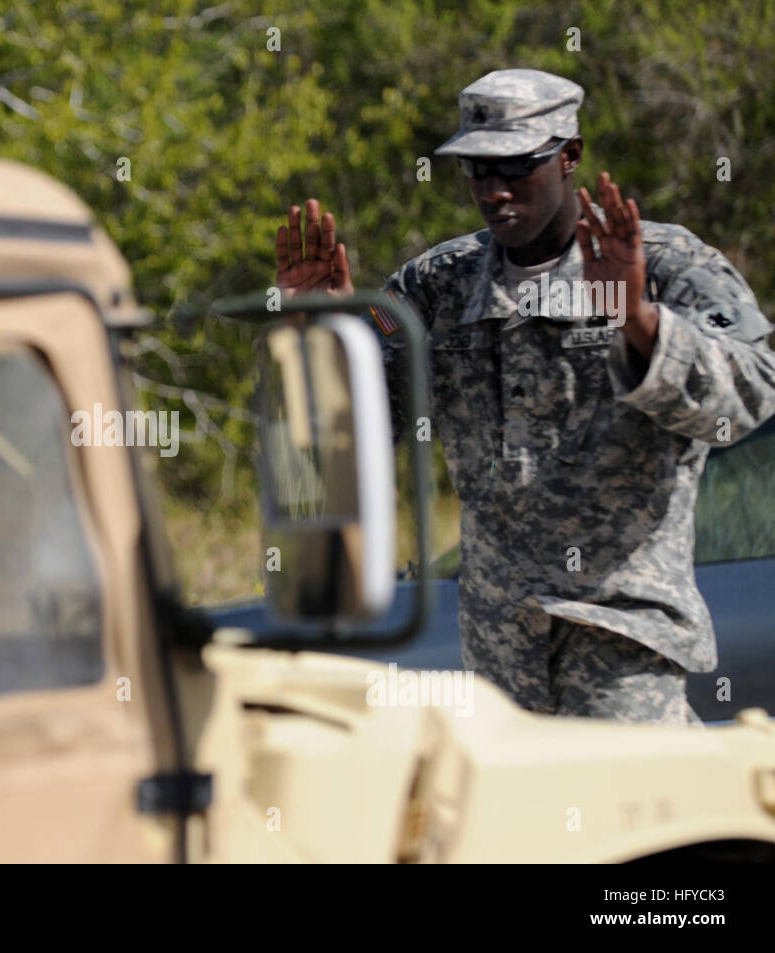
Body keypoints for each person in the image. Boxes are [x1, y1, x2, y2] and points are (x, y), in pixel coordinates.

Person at [274, 68, 775, 724]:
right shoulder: (437, 285)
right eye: (478, 170)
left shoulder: (663, 264)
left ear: (570, 156)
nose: (495, 189)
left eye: (516, 165)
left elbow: (753, 391)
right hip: (498, 658)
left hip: (621, 644)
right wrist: (326, 341)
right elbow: (358, 439)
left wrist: (638, 319)